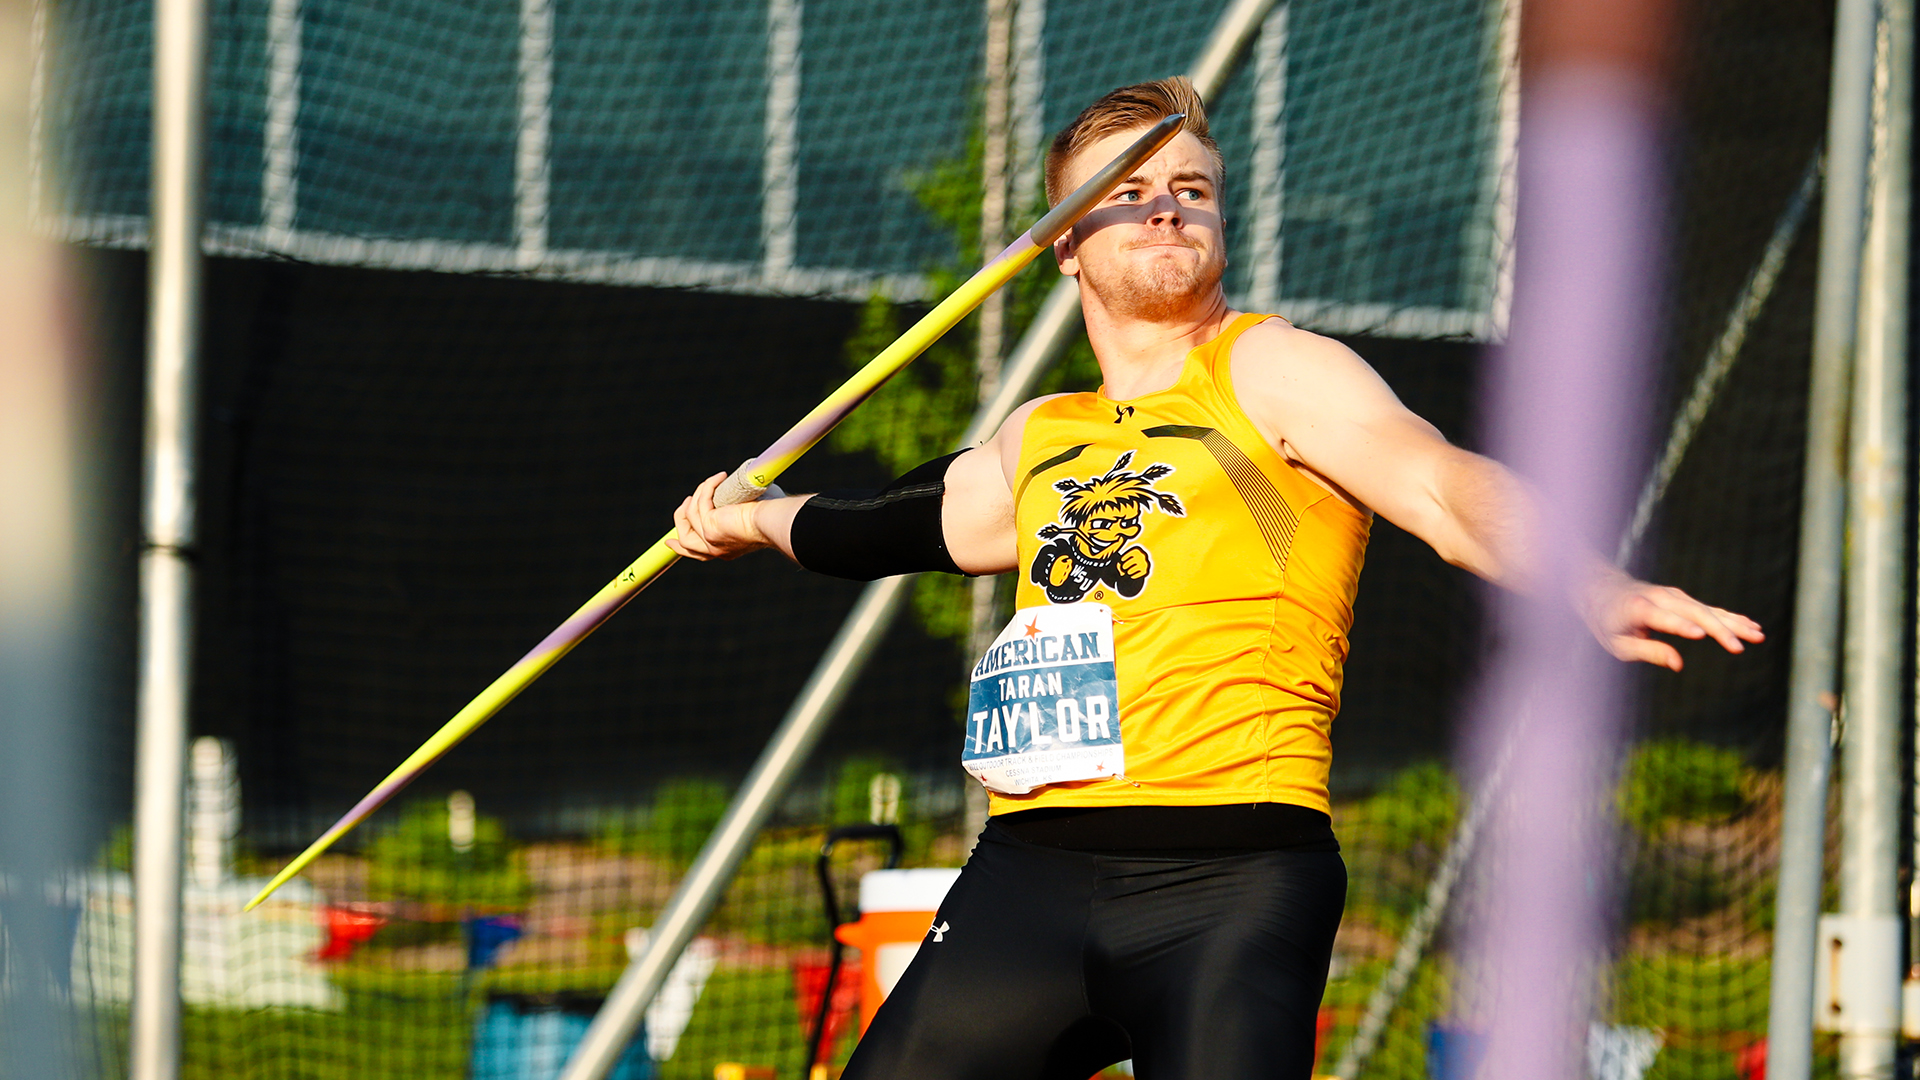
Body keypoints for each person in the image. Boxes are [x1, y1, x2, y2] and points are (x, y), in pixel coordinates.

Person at [668, 78, 1761, 1080]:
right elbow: (897, 523)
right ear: (1062, 245)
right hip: (1028, 878)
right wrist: (746, 519)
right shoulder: (1042, 436)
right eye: (1129, 191)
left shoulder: (1270, 370)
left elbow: (1437, 483)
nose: (1165, 209)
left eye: (1192, 190)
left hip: (1228, 882)